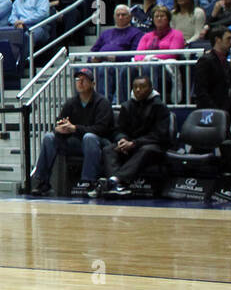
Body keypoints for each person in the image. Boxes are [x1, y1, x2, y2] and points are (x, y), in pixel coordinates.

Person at [26, 69, 114, 197]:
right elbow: (60, 121)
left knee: (89, 137)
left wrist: (75, 128)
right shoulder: (71, 102)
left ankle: (88, 182)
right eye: (78, 80)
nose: (80, 82)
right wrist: (59, 128)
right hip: (75, 142)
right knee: (49, 137)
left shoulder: (102, 103)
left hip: (98, 143)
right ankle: (42, 182)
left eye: (84, 80)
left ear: (93, 84)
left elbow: (101, 129)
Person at [99, 77, 170, 197]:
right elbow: (118, 130)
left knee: (146, 150)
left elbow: (159, 135)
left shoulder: (159, 107)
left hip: (154, 147)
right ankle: (116, 186)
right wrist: (122, 140)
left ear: (151, 88)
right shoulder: (127, 106)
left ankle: (115, 180)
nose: (138, 90)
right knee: (109, 149)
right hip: (131, 145)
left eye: (142, 87)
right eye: (135, 87)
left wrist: (134, 143)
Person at [191, 27, 231, 112]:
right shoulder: (205, 61)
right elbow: (201, 91)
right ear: (217, 40)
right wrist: (215, 111)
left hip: (227, 110)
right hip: (211, 112)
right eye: (228, 39)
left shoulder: (225, 62)